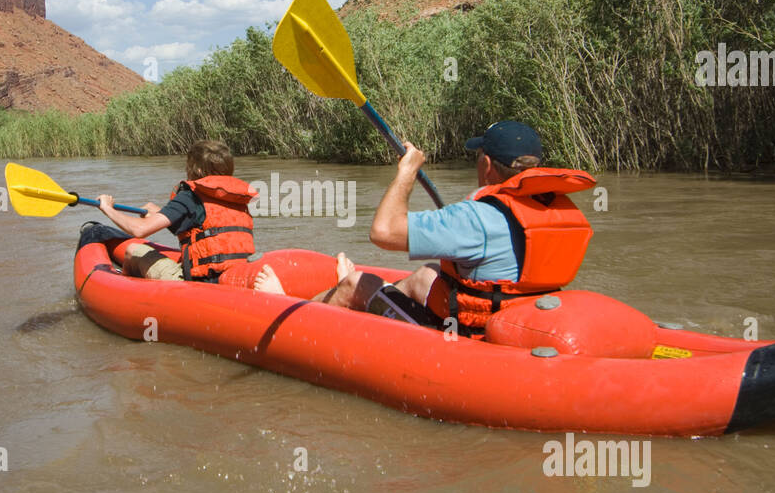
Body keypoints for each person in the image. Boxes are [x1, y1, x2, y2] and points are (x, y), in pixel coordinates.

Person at [253, 121, 595, 336]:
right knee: (427, 274)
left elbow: (383, 232)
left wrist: (407, 171)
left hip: (472, 337)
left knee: (357, 283)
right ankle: (366, 300)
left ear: (487, 164)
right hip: (522, 322)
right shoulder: (555, 206)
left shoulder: (473, 218)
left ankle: (293, 304)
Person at [94, 139, 257, 283]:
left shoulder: (191, 196)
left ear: (198, 170)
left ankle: (126, 289)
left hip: (202, 283)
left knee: (132, 251)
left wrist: (108, 208)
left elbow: (139, 230)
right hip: (232, 278)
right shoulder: (237, 199)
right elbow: (202, 226)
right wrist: (158, 212)